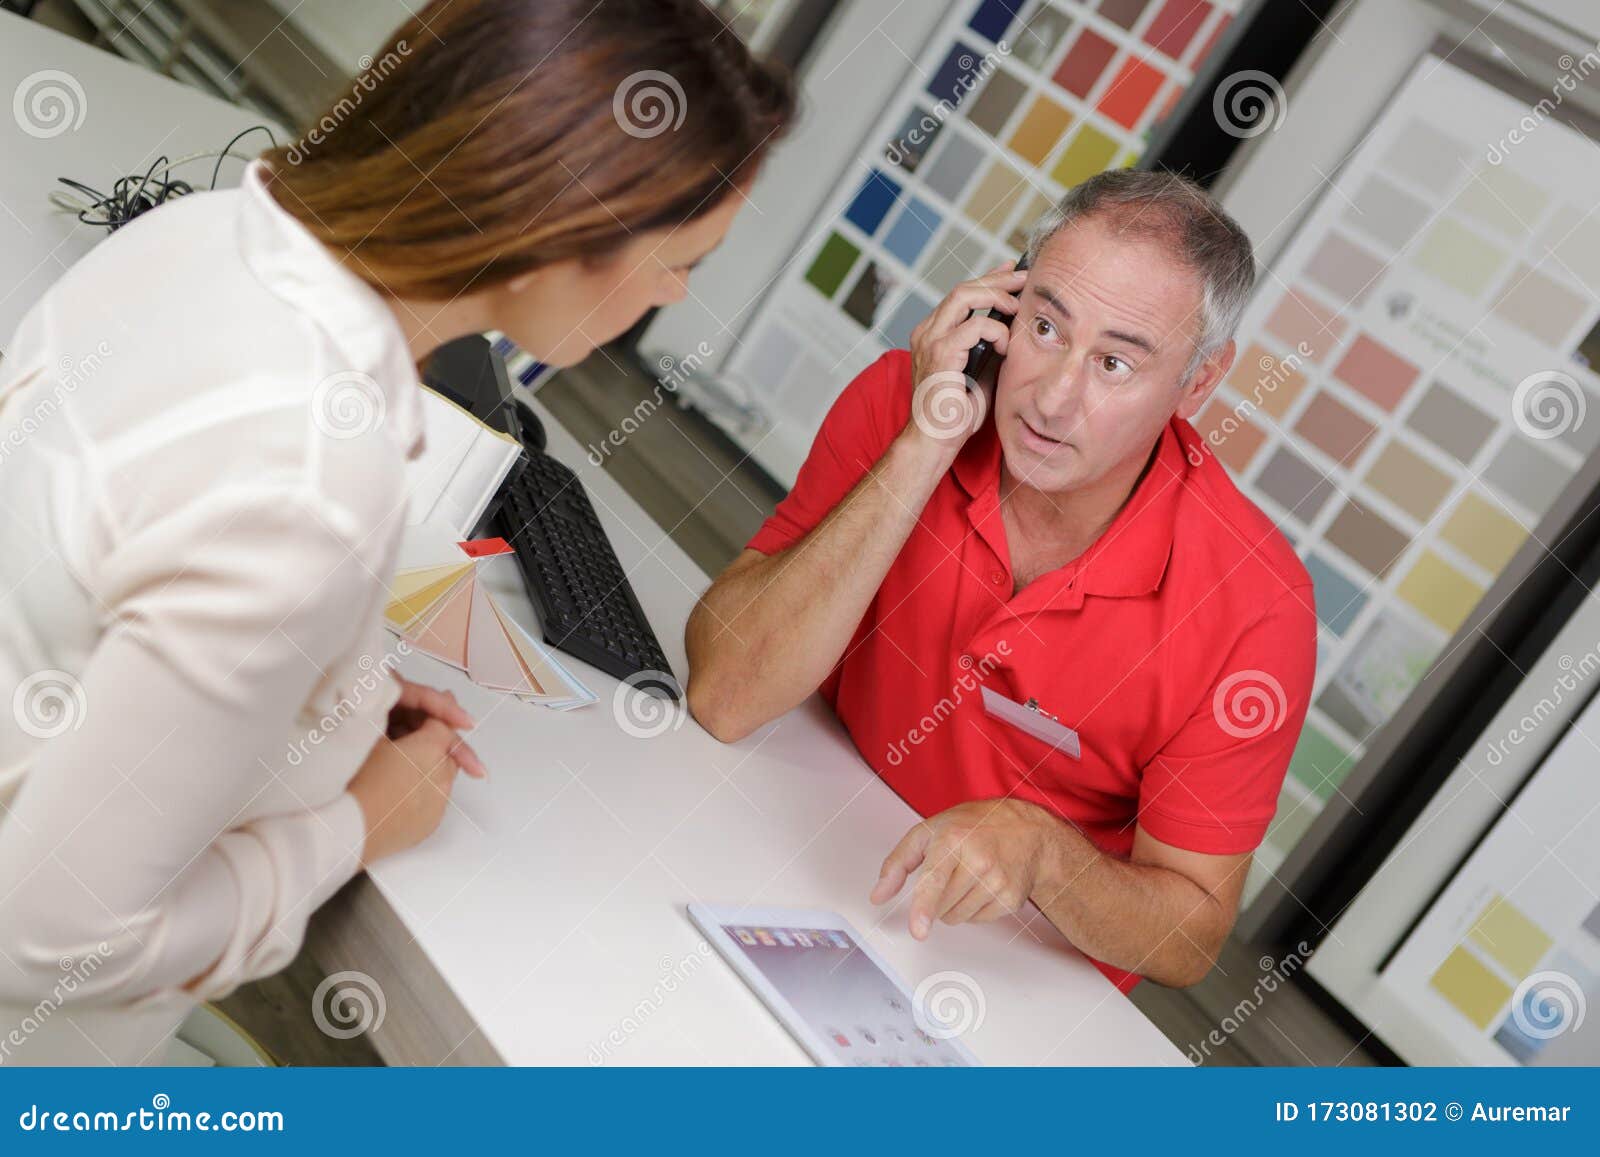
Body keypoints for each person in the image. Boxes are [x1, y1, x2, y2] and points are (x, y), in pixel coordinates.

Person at [0, 0, 792, 1064]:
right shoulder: (313, 485)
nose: (674, 298)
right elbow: (46, 944)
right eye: (680, 260)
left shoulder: (202, 233)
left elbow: (126, 596)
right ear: (554, 238)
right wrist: (359, 822)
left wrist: (334, 690)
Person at [686, 170, 1317, 991]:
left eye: (1116, 363)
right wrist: (924, 443)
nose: (1054, 398)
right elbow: (725, 693)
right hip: (787, 845)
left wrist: (1043, 849)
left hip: (1001, 977)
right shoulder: (905, 400)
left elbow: (1188, 939)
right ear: (999, 307)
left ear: (1198, 381)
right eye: (1047, 326)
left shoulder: (1257, 609)